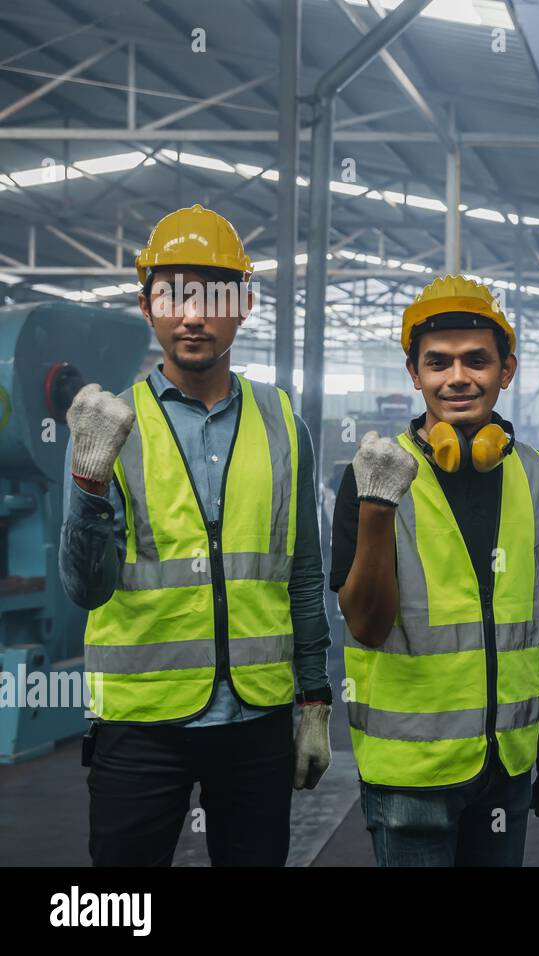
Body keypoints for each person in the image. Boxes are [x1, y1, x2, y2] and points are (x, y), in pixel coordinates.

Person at [60, 204, 332, 867]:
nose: (193, 315)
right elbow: (85, 589)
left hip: (256, 721)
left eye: (212, 296)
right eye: (173, 294)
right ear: (146, 305)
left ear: (243, 305)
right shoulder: (112, 424)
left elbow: (301, 572)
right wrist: (89, 483)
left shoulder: (281, 424)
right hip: (141, 724)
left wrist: (316, 700)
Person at [331, 275, 539, 867]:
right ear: (414, 374)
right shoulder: (372, 471)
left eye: (477, 360)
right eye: (437, 362)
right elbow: (364, 624)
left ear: (506, 370)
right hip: (412, 771)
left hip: (507, 764)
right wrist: (377, 506)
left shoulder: (536, 474)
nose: (457, 377)